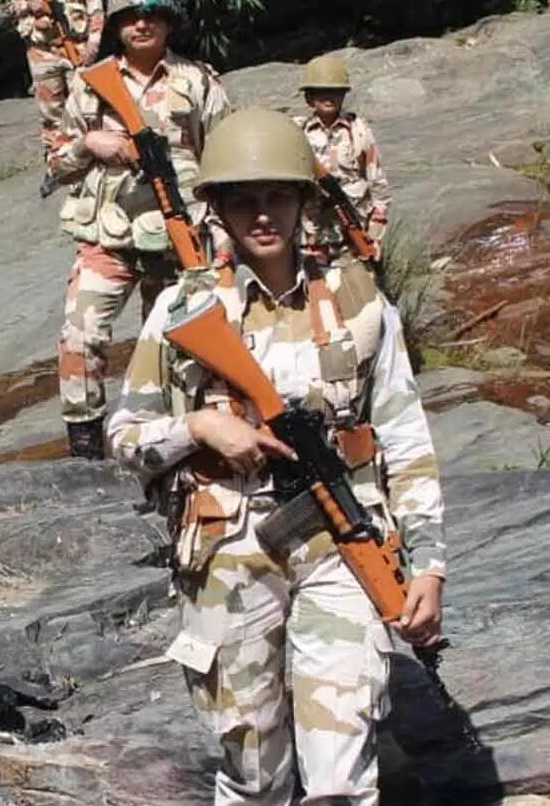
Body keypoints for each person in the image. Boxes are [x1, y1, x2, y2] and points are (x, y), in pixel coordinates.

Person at [108, 109, 446, 805]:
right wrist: (200, 427)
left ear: (303, 203)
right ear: (221, 209)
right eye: (244, 200)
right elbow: (126, 439)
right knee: (254, 775)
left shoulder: (361, 304)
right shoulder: (182, 310)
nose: (263, 215)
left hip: (340, 542)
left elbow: (406, 437)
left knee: (341, 770)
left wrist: (429, 564)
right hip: (227, 548)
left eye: (278, 197)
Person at [49, 0, 230, 459]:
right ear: (115, 24)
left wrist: (222, 235)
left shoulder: (197, 81)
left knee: (177, 344)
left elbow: (223, 159)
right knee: (80, 336)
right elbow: (56, 163)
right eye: (129, 15)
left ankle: (170, 443)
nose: (141, 24)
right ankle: (83, 447)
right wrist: (89, 142)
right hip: (109, 235)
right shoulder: (92, 84)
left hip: (181, 235)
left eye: (152, 13)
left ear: (170, 19)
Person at [12, 0, 103, 149]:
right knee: (50, 113)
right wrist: (34, 11)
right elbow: (16, 2)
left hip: (76, 49)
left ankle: (85, 156)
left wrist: (92, 47)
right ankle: (55, 159)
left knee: (84, 109)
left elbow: (97, 12)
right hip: (43, 52)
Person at [295, 55, 393, 257]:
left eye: (335, 92)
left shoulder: (358, 131)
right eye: (321, 92)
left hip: (355, 226)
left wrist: (374, 235)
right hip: (314, 237)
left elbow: (378, 184)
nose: (329, 97)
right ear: (309, 98)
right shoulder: (299, 133)